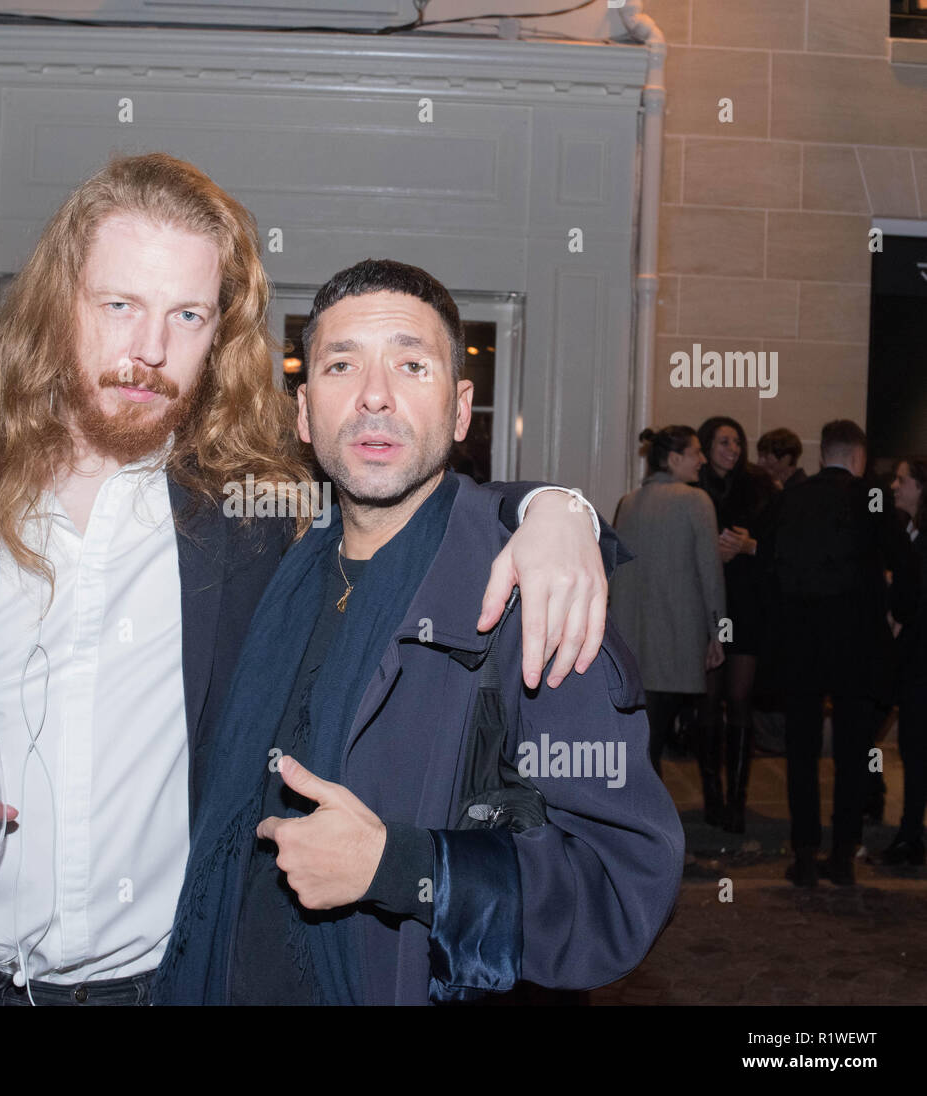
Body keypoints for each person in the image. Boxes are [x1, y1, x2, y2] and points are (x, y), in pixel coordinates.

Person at [0, 153, 617, 1006]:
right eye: (118, 306)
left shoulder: (250, 501)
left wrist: (554, 510)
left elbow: (400, 483)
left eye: (186, 315)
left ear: (220, 332)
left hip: (169, 984)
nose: (148, 351)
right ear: (55, 305)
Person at [153, 260, 683, 1006]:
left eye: (411, 364)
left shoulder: (535, 602)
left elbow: (618, 891)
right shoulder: (275, 575)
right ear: (303, 414)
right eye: (342, 366)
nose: (375, 395)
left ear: (462, 411)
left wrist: (400, 867)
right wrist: (558, 503)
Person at [757, 420, 918, 886]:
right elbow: (905, 565)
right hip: (858, 644)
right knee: (854, 751)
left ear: (822, 450)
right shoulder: (871, 497)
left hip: (801, 644)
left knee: (801, 751)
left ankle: (805, 852)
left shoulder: (791, 497)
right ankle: (844, 853)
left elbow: (766, 570)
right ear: (859, 456)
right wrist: (897, 614)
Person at [610, 426, 726, 817]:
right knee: (653, 742)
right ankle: (655, 832)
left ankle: (643, 826)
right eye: (696, 452)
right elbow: (710, 572)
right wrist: (719, 632)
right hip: (677, 639)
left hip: (632, 642)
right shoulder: (696, 501)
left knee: (645, 739)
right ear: (673, 459)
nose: (703, 459)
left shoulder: (628, 502)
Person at [696, 416, 777, 833]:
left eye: (738, 441)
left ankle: (737, 802)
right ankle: (712, 796)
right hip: (707, 608)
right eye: (724, 441)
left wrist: (748, 546)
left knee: (739, 698)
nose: (733, 449)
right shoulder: (693, 487)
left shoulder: (759, 487)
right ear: (707, 446)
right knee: (708, 701)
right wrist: (713, 552)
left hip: (746, 606)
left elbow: (780, 548)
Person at [882, 456, 927, 865]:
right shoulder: (909, 532)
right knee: (912, 752)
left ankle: (912, 835)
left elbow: (912, 601)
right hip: (914, 661)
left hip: (920, 664)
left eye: (902, 480)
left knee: (915, 751)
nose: (895, 486)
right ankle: (911, 832)